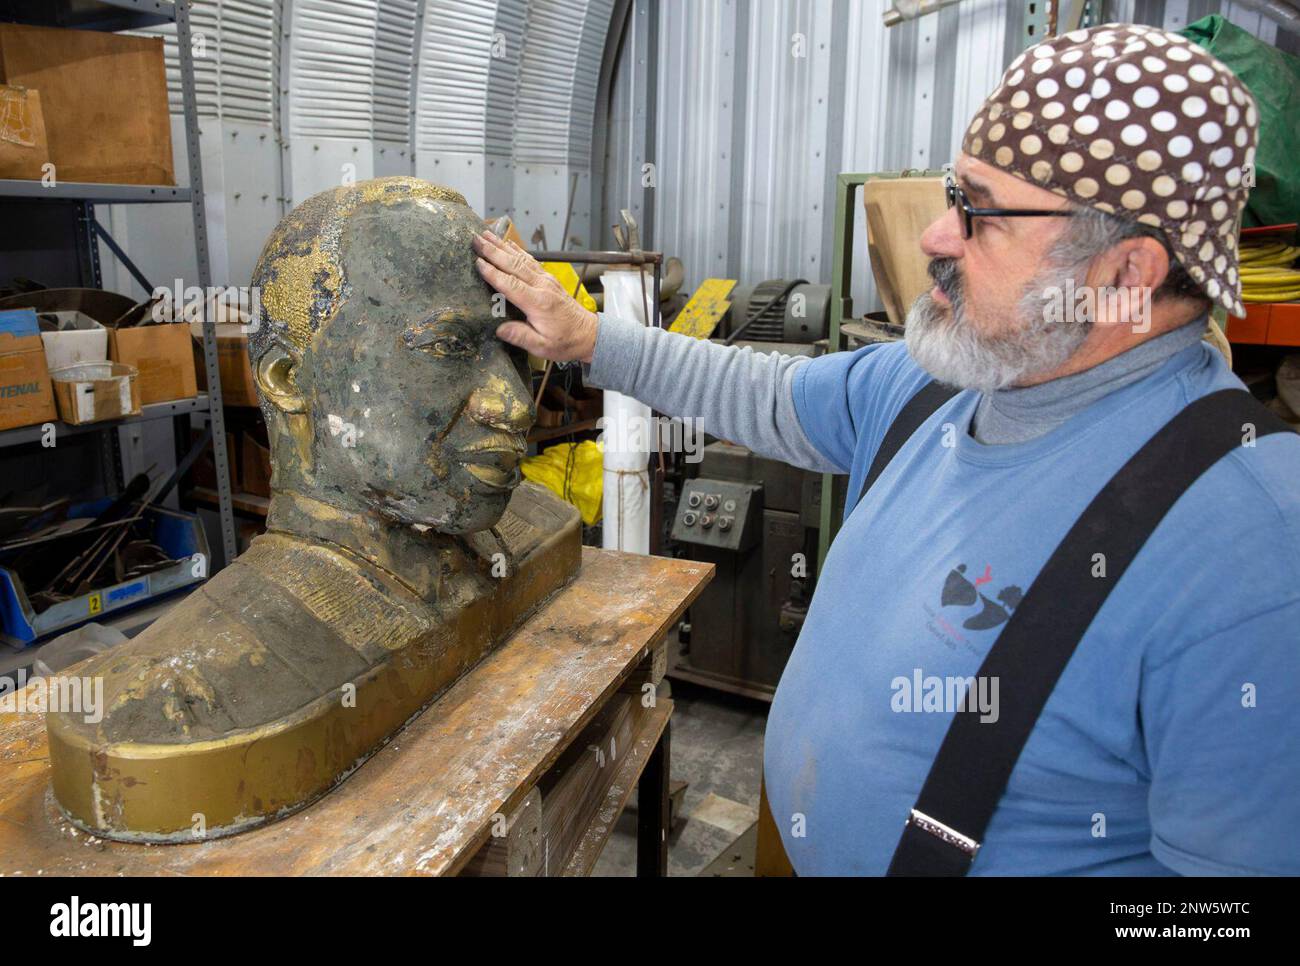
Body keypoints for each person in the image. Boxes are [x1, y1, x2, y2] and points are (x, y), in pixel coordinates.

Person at [474, 24, 1300, 875]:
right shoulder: (938, 382)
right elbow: (762, 396)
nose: (936, 237)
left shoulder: (1253, 548)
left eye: (979, 214)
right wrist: (588, 338)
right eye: (953, 192)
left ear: (1127, 274)